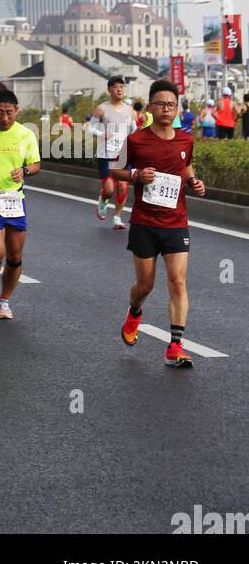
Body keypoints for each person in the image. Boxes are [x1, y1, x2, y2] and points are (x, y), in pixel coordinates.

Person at [112, 79, 206, 368]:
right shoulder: (136, 140)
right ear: (150, 107)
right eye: (161, 103)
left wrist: (192, 180)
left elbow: (185, 163)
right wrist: (137, 175)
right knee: (146, 284)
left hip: (176, 221)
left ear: (176, 109)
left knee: (178, 282)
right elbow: (116, 169)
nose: (166, 108)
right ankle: (135, 311)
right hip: (144, 222)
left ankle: (175, 345)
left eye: (171, 104)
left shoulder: (185, 138)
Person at [0, 88, 41, 319]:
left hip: (14, 198)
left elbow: (35, 164)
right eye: (0, 113)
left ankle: (4, 301)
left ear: (17, 111)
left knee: (14, 257)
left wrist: (24, 171)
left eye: (9, 113)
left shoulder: (25, 134)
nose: (5, 118)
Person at [92, 76, 137, 230]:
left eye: (122, 87)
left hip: (123, 155)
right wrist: (101, 134)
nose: (119, 90)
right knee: (109, 189)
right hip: (105, 154)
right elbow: (90, 127)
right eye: (116, 87)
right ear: (109, 89)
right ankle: (103, 199)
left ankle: (117, 217)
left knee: (123, 187)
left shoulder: (129, 110)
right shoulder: (101, 108)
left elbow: (134, 131)